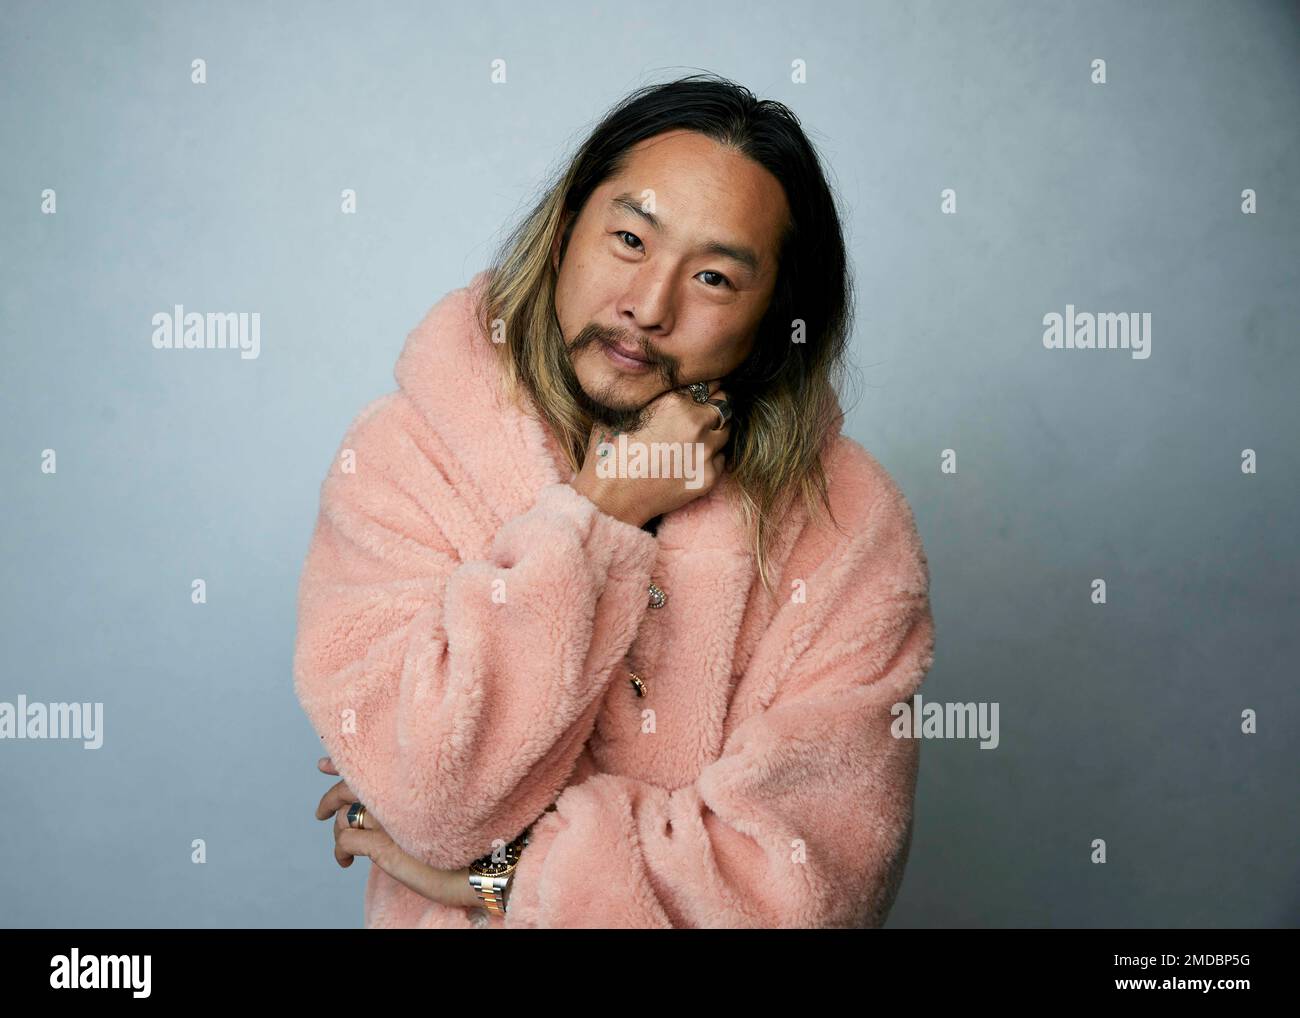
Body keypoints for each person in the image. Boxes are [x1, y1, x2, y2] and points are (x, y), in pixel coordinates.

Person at [293, 72, 935, 928]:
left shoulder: (849, 525)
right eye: (630, 240)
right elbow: (432, 797)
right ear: (564, 235)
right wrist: (598, 513)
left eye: (713, 278)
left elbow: (807, 889)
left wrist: (510, 874)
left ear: (777, 317)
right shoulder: (405, 458)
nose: (648, 306)